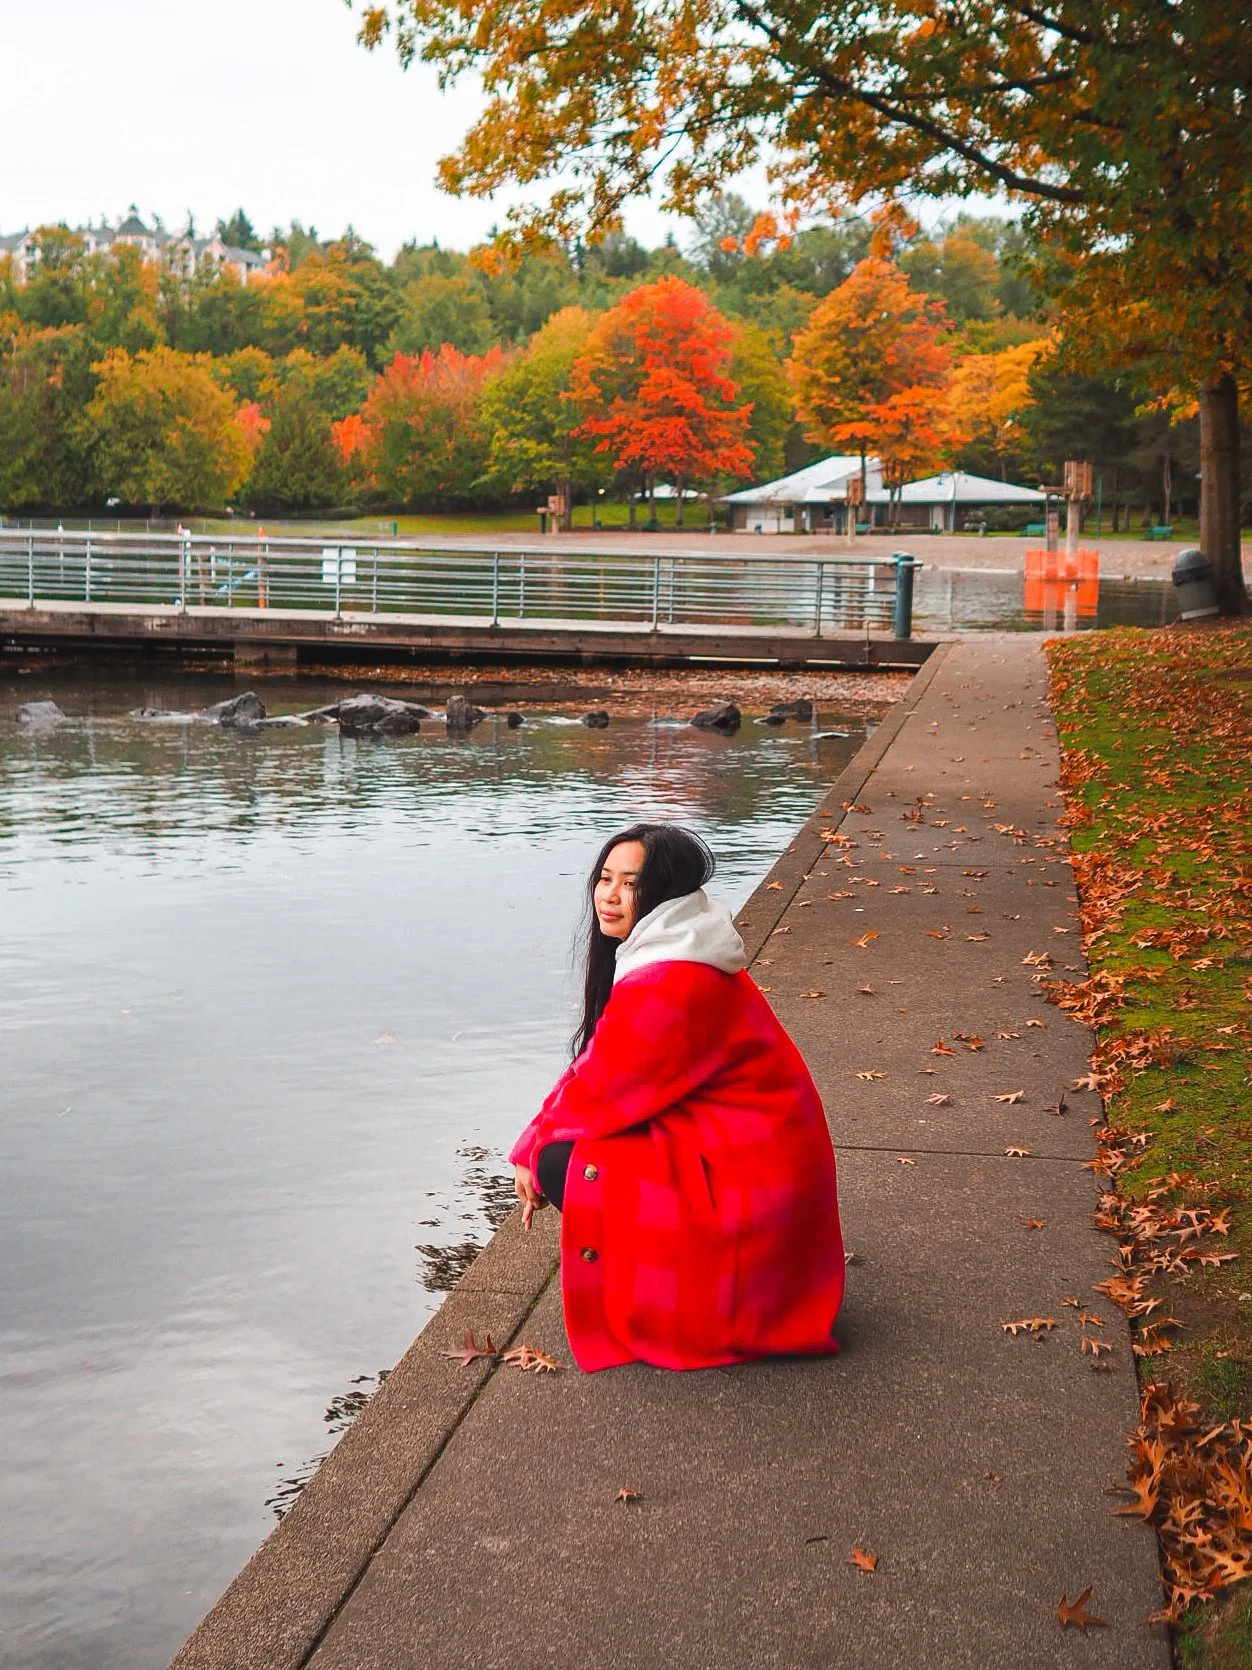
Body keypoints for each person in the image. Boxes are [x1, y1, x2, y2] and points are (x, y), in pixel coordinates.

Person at [510, 822, 845, 1373]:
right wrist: (533, 1137)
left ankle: (686, 1304)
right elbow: (596, 1066)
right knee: (563, 1149)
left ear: (662, 894)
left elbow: (596, 1092)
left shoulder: (670, 981)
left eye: (629, 884)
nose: (609, 896)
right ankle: (680, 1280)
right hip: (756, 1166)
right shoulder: (679, 951)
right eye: (604, 879)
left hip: (750, 1188)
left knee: (562, 1163)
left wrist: (530, 1150)